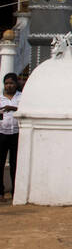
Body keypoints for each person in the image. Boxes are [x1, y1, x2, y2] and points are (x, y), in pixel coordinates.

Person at [0, 72, 21, 200]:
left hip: (16, 133)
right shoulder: (0, 98)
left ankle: (15, 192)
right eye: (7, 83)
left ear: (16, 83)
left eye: (11, 83)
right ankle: (1, 192)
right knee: (0, 163)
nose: (9, 86)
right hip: (2, 133)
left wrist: (12, 108)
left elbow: (25, 109)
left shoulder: (21, 96)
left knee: (15, 164)